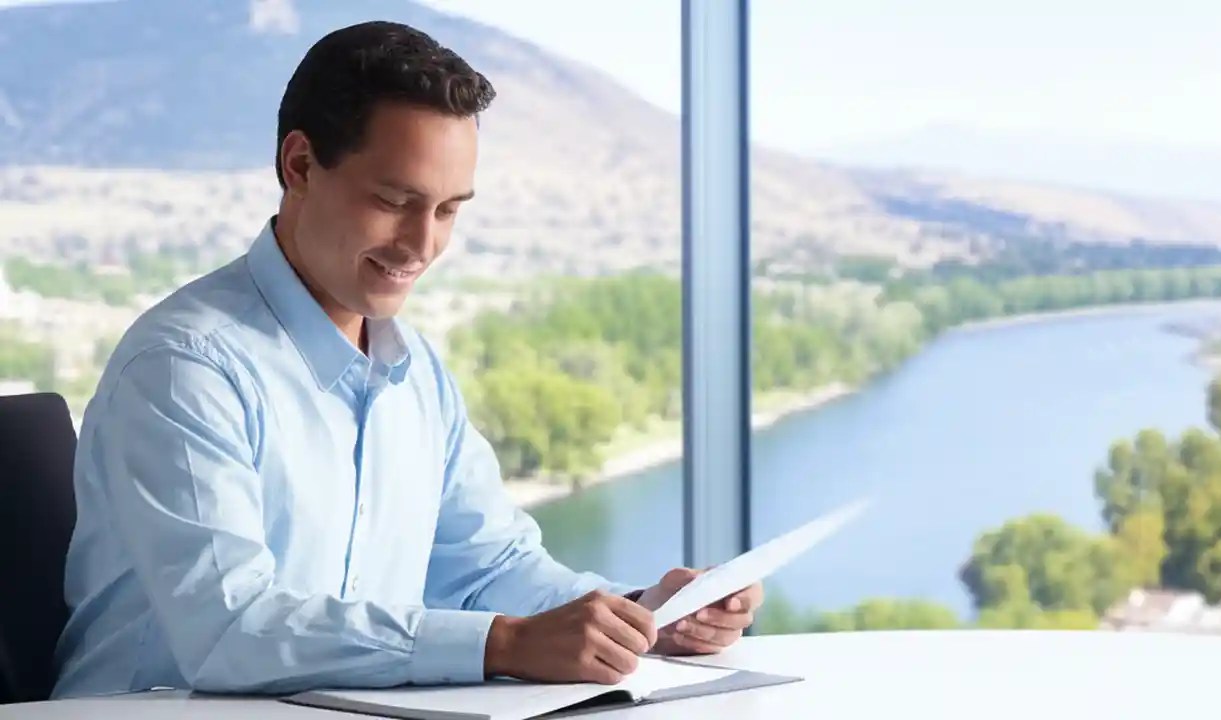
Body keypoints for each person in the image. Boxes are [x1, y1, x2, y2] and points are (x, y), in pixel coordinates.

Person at [51, 19, 762, 699]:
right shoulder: (185, 368)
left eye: (448, 210)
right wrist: (503, 644)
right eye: (395, 201)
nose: (422, 245)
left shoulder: (414, 371)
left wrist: (642, 617)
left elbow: (490, 568)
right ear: (299, 166)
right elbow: (230, 629)